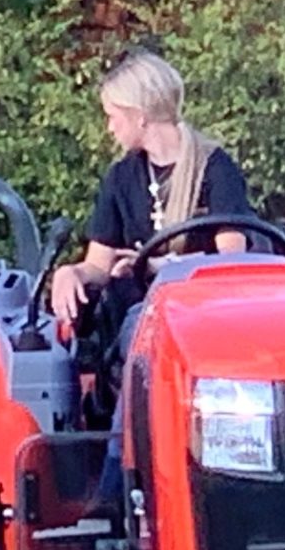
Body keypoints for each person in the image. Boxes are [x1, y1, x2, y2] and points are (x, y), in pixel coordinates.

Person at [48, 50, 254, 495]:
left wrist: (163, 265)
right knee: (134, 327)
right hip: (142, 312)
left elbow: (231, 257)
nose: (109, 127)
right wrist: (71, 274)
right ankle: (113, 459)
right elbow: (98, 265)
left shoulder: (215, 168)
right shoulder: (123, 177)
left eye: (112, 116)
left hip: (206, 317)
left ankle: (113, 483)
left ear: (139, 116)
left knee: (140, 330)